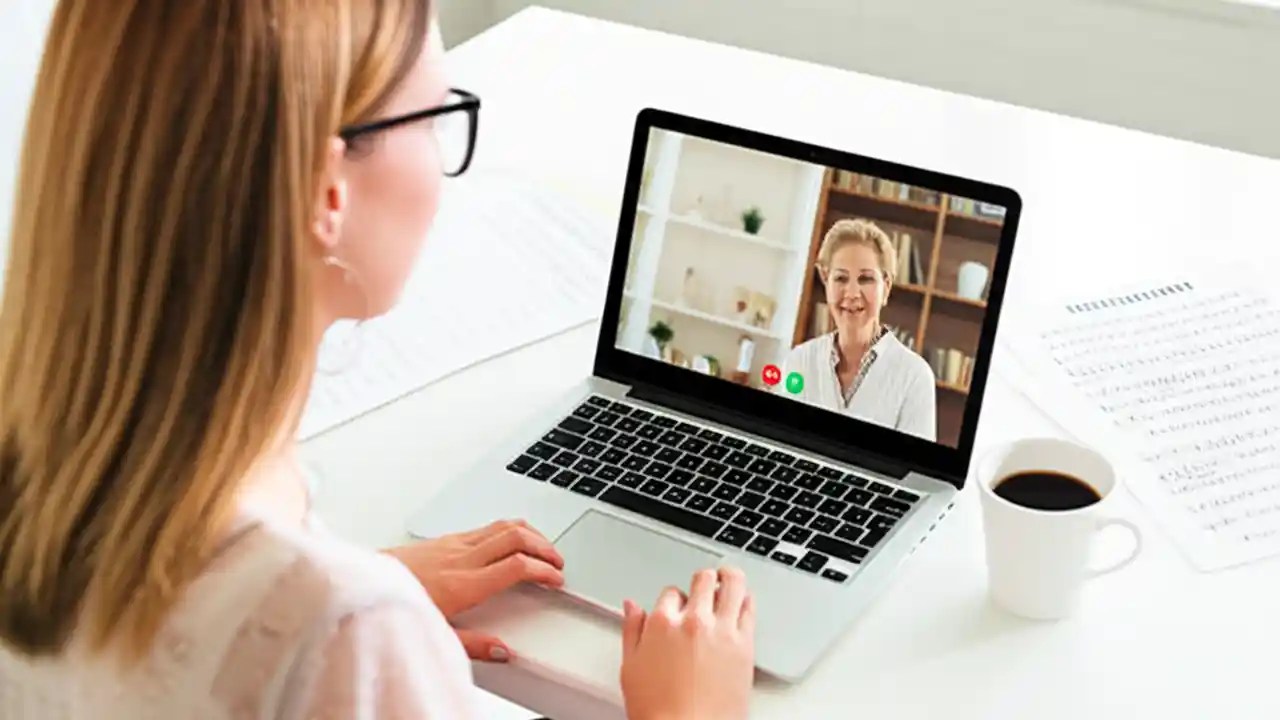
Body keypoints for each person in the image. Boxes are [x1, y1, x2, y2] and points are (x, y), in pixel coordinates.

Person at [0, 1, 754, 718]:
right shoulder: (347, 633)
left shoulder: (39, 490)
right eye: (434, 118)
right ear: (328, 190)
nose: (438, 168)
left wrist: (352, 597)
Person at [779, 218, 937, 440]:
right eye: (841, 278)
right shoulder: (799, 362)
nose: (852, 293)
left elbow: (915, 469)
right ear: (826, 281)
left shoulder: (915, 377)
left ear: (887, 287)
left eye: (865, 279)